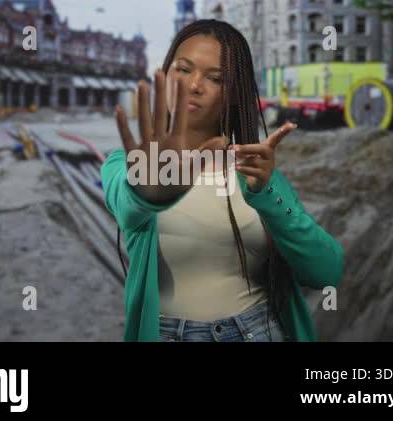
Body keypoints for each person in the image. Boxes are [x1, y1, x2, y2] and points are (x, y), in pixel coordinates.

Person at [101, 19, 344, 342]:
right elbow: (128, 204)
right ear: (164, 73)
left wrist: (267, 192)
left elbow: (326, 271)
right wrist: (151, 191)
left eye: (215, 78)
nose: (194, 85)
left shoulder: (256, 176)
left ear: (233, 94)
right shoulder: (126, 166)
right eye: (183, 70)